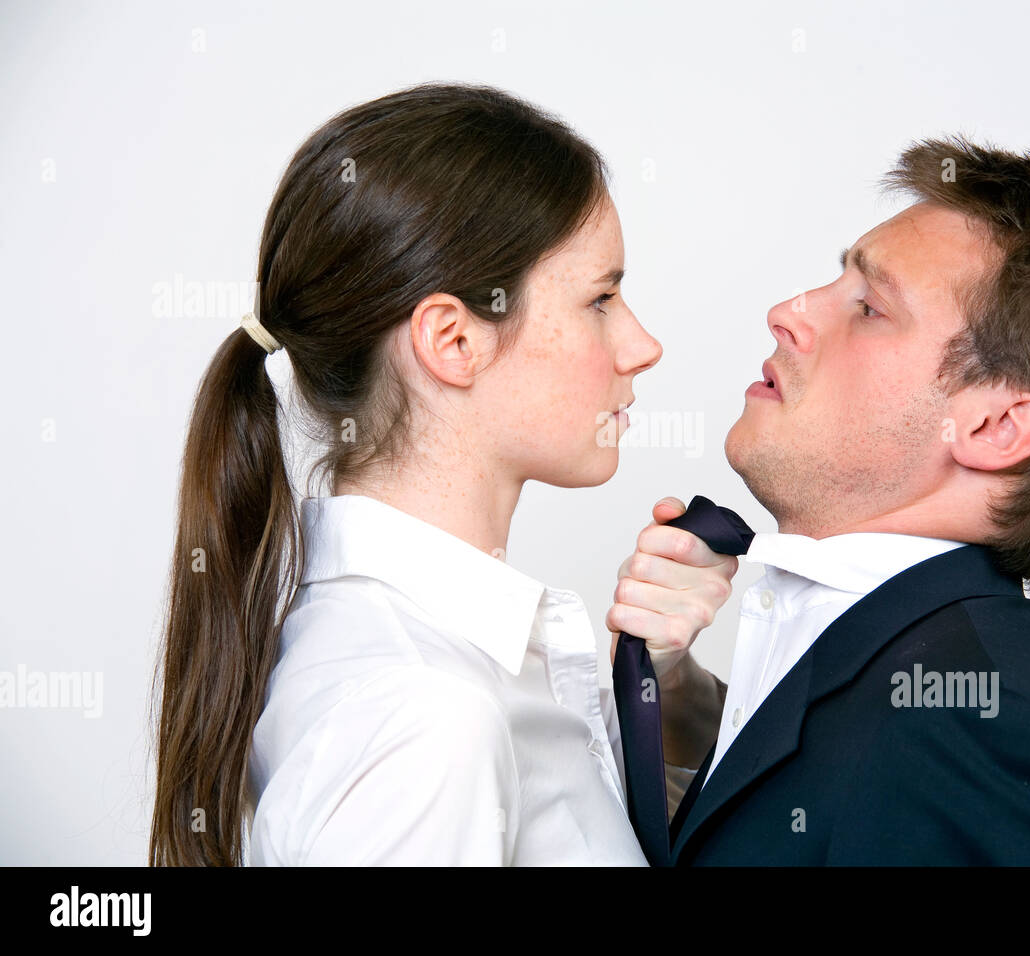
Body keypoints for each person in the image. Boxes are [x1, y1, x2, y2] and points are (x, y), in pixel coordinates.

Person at [607, 137, 1030, 865]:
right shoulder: (904, 673)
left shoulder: (988, 726)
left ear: (995, 428)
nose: (786, 312)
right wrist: (682, 711)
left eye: (870, 306)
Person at [149, 82, 662, 865]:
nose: (642, 346)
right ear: (453, 341)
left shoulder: (443, 667)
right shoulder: (425, 716)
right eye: (601, 298)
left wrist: (667, 686)